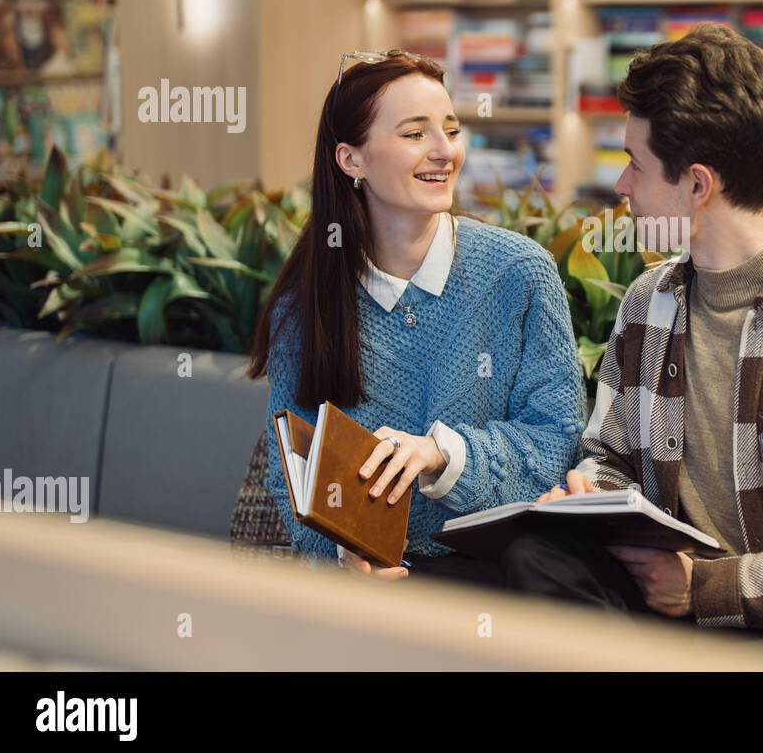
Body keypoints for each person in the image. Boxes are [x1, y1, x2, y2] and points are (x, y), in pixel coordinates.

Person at [501, 24, 763, 671]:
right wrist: (590, 497)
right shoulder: (648, 305)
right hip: (663, 610)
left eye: (635, 164)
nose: (621, 184)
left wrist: (706, 589)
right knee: (533, 557)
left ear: (697, 186)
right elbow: (609, 453)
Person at [248, 50, 585, 586]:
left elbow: (557, 443)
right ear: (351, 160)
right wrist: (344, 560)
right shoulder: (307, 302)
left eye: (451, 130)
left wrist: (442, 454)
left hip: (505, 579)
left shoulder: (520, 273)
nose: (443, 151)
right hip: (371, 589)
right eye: (414, 134)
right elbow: (293, 473)